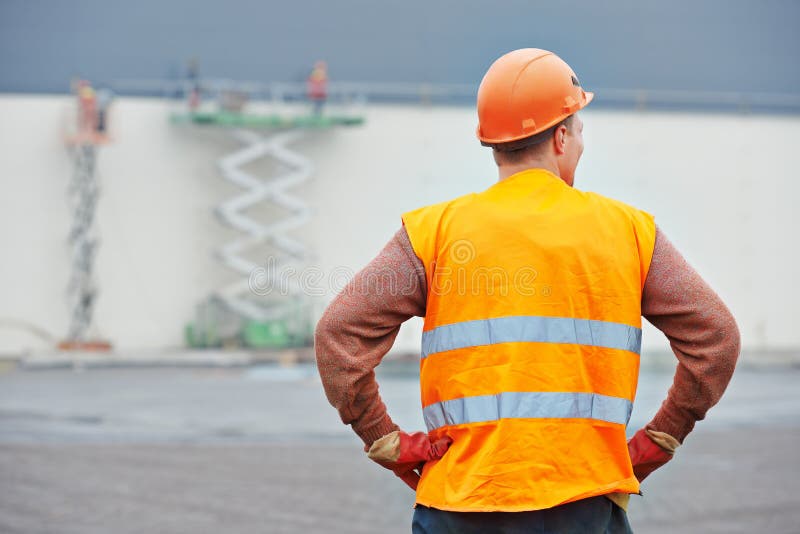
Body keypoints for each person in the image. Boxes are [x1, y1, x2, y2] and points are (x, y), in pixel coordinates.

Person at [315, 48, 740, 533]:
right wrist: (662, 436)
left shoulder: (432, 233)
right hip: (584, 501)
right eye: (579, 130)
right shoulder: (629, 231)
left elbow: (338, 335)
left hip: (460, 501)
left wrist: (384, 439)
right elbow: (717, 338)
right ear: (561, 136)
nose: (580, 143)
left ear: (494, 143)